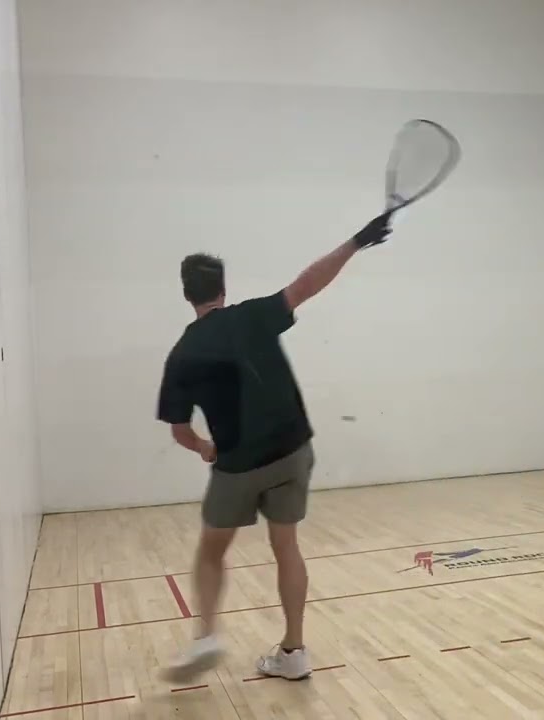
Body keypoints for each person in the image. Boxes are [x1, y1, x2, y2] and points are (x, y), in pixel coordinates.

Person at [157, 212, 392, 683]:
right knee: (286, 547)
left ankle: (206, 636)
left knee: (210, 552)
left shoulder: (182, 353)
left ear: (187, 295)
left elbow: (180, 431)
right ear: (223, 289)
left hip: (238, 462)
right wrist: (357, 241)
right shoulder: (253, 316)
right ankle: (294, 651)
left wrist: (206, 448)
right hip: (292, 450)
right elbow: (308, 283)